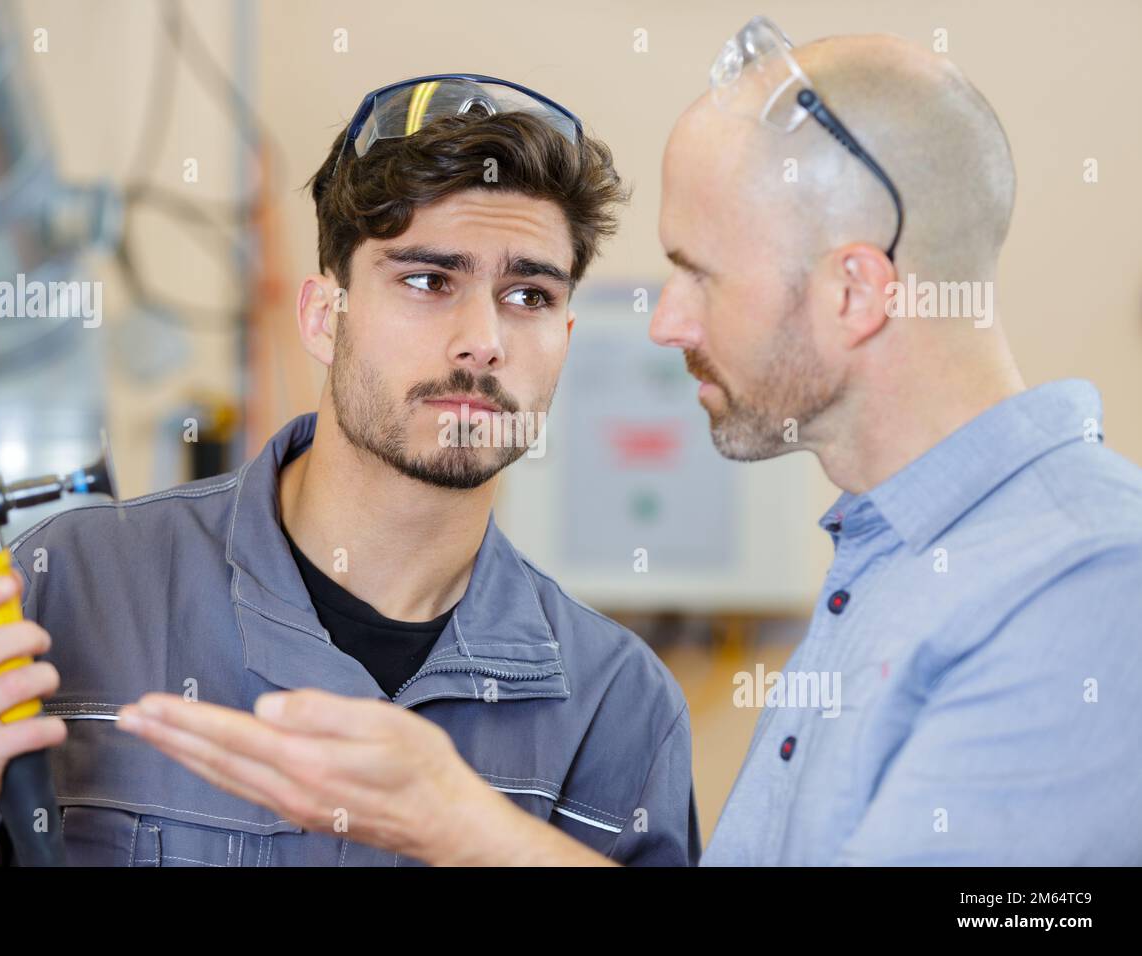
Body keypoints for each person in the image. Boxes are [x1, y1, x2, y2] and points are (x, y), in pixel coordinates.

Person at [118, 22, 1142, 866]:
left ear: (854, 291)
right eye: (427, 280)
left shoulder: (1088, 585)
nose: (664, 324)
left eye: (701, 274)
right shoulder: (886, 569)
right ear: (321, 311)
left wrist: (459, 823)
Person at [0, 74, 701, 866]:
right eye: (430, 279)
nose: (485, 337)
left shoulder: (617, 707)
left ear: (564, 343)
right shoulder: (67, 588)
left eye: (530, 296)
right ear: (324, 318)